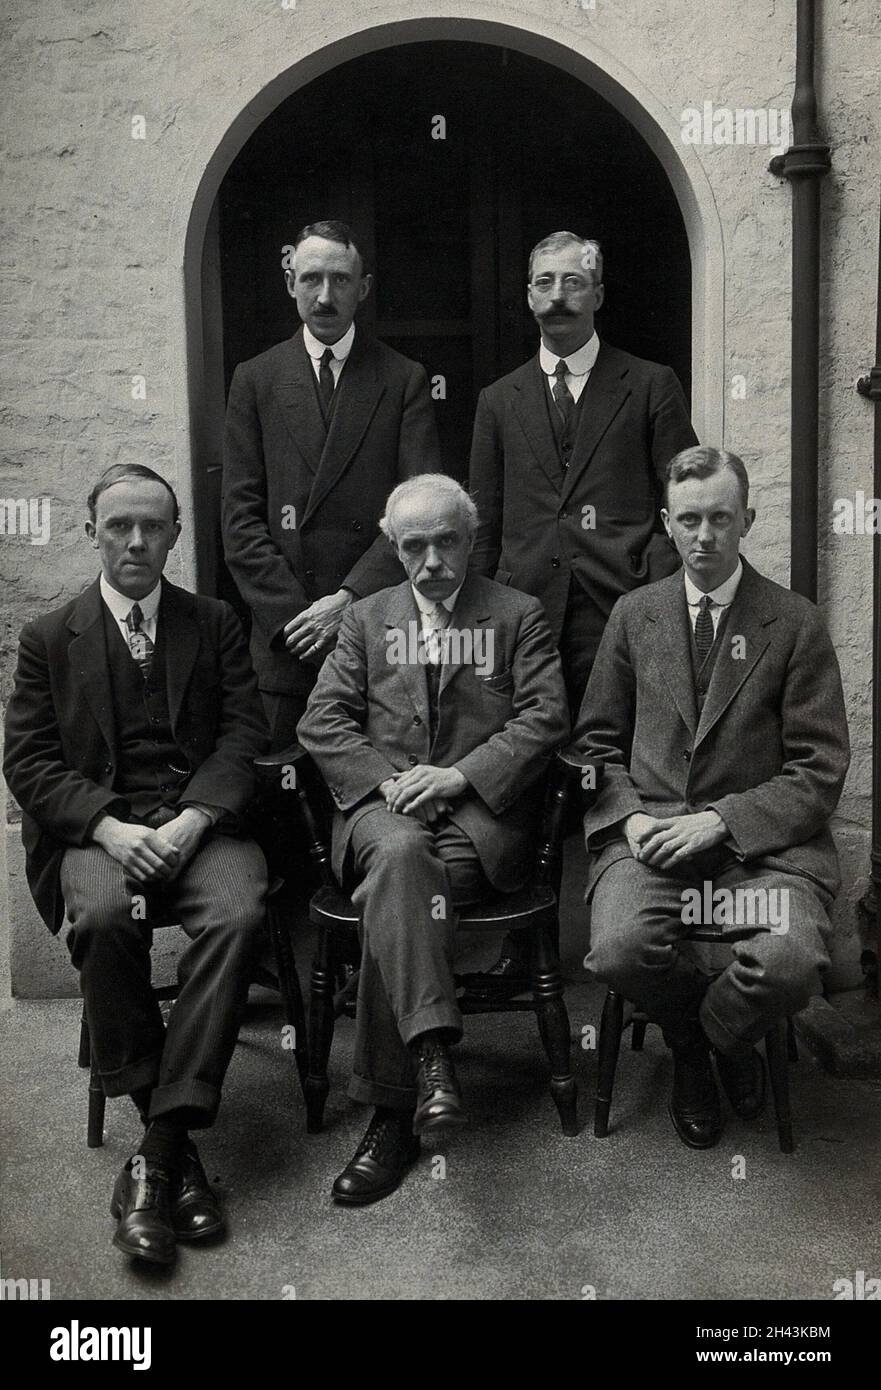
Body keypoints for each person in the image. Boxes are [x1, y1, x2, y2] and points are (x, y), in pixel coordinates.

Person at [4, 464, 270, 1266]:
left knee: (238, 912)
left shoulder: (213, 620)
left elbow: (244, 737)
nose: (136, 541)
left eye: (153, 526)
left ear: (175, 536)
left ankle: (155, 1153)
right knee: (104, 915)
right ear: (92, 533)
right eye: (119, 525)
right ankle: (174, 1153)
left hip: (198, 828)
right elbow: (30, 761)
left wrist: (195, 818)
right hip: (98, 839)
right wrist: (109, 829)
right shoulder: (50, 637)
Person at [297, 474, 569, 1204]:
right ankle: (430, 1058)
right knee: (398, 855)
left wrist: (455, 779)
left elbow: (544, 717)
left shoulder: (517, 615)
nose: (431, 562)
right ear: (393, 547)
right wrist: (390, 782)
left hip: (475, 824)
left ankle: (394, 1110)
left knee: (402, 881)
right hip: (381, 814)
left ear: (470, 538)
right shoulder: (365, 620)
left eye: (445, 541)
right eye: (413, 546)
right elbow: (321, 723)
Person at [574, 446, 850, 1148]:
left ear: (747, 519)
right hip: (652, 843)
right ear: (667, 523)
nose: (704, 537)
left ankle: (711, 1039)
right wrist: (629, 815)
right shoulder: (634, 616)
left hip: (761, 852)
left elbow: (817, 769)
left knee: (789, 964)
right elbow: (593, 748)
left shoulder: (793, 622)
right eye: (689, 520)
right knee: (615, 951)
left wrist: (721, 822)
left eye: (720, 519)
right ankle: (697, 1047)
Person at [467, 230, 698, 994]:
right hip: (527, 622)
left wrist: (652, 591)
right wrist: (482, 616)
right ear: (527, 297)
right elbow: (486, 521)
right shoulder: (498, 399)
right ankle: (523, 944)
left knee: (620, 775)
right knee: (527, 782)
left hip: (618, 619)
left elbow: (680, 504)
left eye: (572, 281)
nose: (557, 295)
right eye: (542, 283)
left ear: (598, 294)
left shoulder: (649, 383)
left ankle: (628, 932)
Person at [222, 218, 441, 749]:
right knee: (287, 801)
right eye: (312, 278)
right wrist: (298, 619)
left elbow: (420, 513)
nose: (325, 296)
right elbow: (239, 519)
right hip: (287, 644)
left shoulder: (402, 378)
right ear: (289, 280)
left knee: (382, 794)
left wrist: (347, 601)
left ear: (362, 290)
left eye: (341, 280)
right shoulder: (255, 378)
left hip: (377, 628)